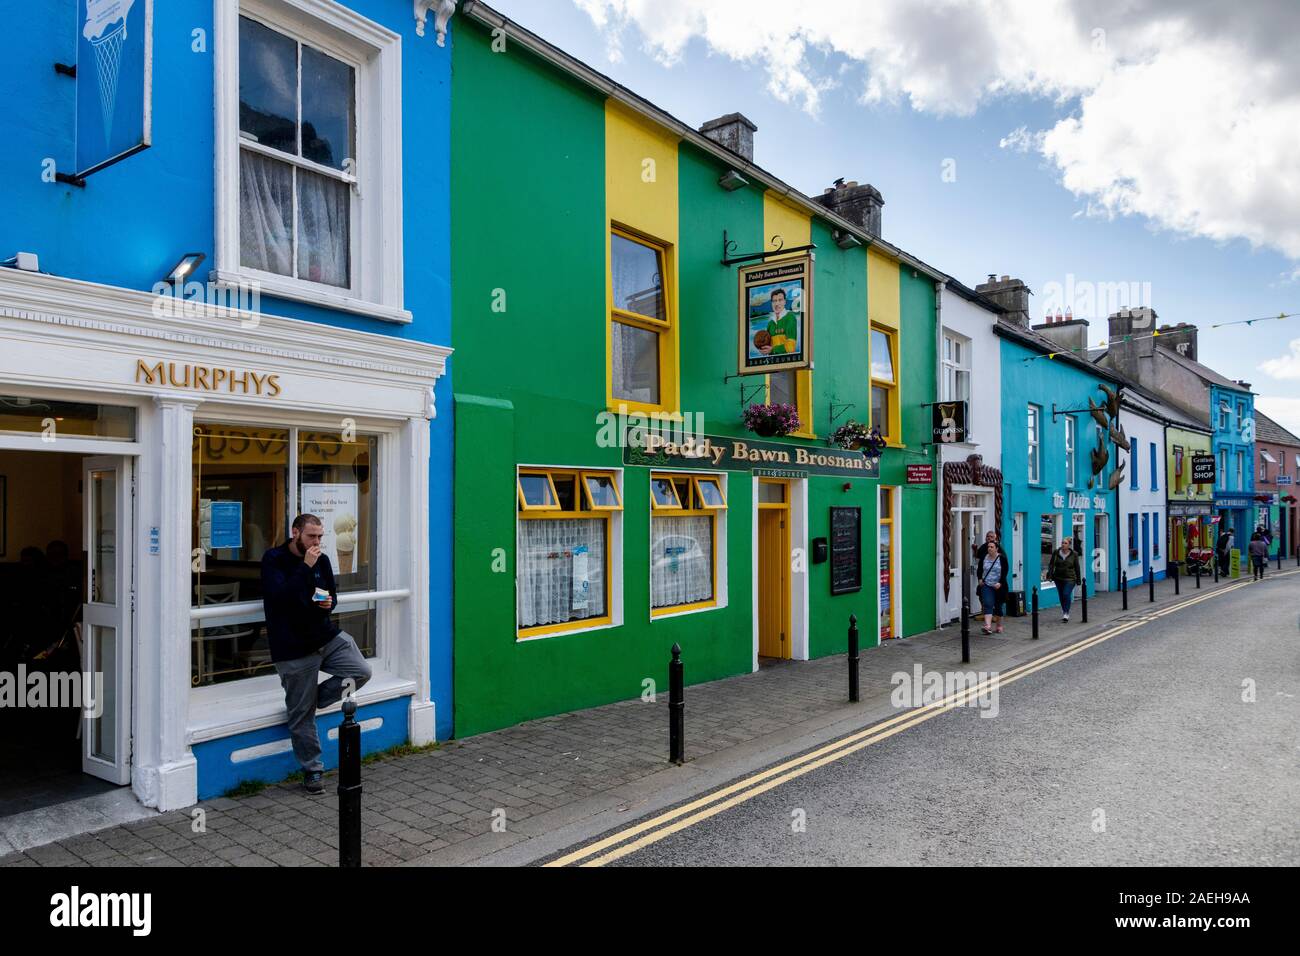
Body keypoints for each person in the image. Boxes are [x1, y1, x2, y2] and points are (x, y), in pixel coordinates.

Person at [262, 514, 371, 794]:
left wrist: (325, 603)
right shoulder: (274, 559)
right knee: (301, 717)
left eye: (321, 537)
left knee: (361, 671)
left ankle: (313, 699)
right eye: (312, 536)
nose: (317, 542)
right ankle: (313, 770)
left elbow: (327, 596)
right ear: (295, 532)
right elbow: (280, 600)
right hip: (292, 647)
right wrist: (305, 568)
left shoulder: (321, 560)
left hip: (325, 636)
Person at [975, 541, 1009, 634]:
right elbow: (980, 570)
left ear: (996, 549)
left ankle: (999, 625)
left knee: (998, 607)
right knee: (987, 604)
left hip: (998, 586)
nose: (989, 548)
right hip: (987, 585)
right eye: (988, 547)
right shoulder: (984, 558)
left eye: (992, 547)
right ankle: (988, 626)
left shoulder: (1002, 559)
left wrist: (1000, 583)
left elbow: (1005, 572)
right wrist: (980, 579)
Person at [1048, 536, 1082, 623]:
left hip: (1070, 578)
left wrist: (1078, 579)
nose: (1063, 544)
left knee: (1066, 594)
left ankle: (1066, 613)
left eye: (1065, 543)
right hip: (1058, 578)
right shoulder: (1056, 552)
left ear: (1069, 545)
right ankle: (1064, 612)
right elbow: (1051, 565)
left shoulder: (1074, 554)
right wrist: (1050, 575)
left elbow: (1077, 567)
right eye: (1062, 543)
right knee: (1061, 596)